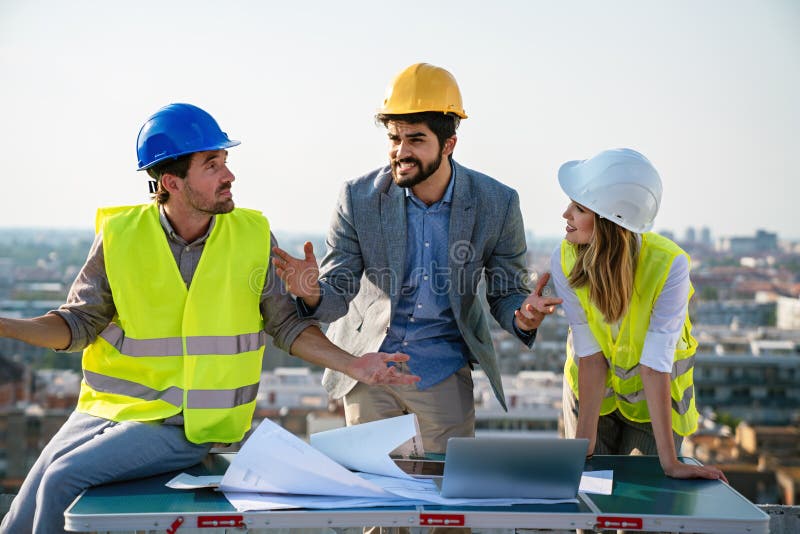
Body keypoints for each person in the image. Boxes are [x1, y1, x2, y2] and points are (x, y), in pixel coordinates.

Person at [0, 103, 419, 534]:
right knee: (28, 497)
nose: (229, 175)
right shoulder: (121, 236)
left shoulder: (251, 236)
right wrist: (7, 326)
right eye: (212, 164)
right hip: (108, 411)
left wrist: (354, 364)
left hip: (187, 424)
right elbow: (77, 324)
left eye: (225, 162)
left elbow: (287, 326)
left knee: (62, 478)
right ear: (171, 183)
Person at [272, 63, 562, 455]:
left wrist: (522, 314)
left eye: (415, 140)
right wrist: (310, 294)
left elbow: (507, 291)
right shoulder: (358, 198)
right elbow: (337, 290)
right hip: (368, 369)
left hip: (442, 373)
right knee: (376, 505)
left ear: (449, 145)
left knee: (446, 507)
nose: (401, 151)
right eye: (394, 138)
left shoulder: (497, 203)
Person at [552, 147, 727, 481]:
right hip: (593, 398)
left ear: (605, 221)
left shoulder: (669, 266)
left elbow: (655, 365)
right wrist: (582, 451)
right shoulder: (565, 258)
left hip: (653, 407)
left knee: (647, 513)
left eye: (578, 208)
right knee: (587, 507)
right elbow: (590, 358)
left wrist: (671, 464)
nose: (565, 214)